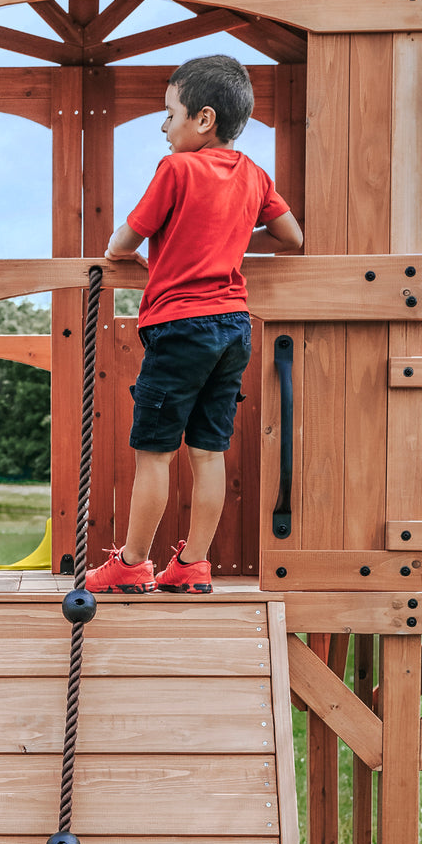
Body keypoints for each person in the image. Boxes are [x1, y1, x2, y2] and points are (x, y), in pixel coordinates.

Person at [86, 54, 303, 596]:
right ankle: (193, 565)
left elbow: (122, 242)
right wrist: (232, 240)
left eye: (169, 114)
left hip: (180, 327)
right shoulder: (254, 174)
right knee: (209, 452)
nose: (164, 127)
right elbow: (291, 238)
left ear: (203, 119)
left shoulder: (176, 170)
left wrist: (132, 253)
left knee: (155, 452)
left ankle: (133, 564)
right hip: (233, 328)